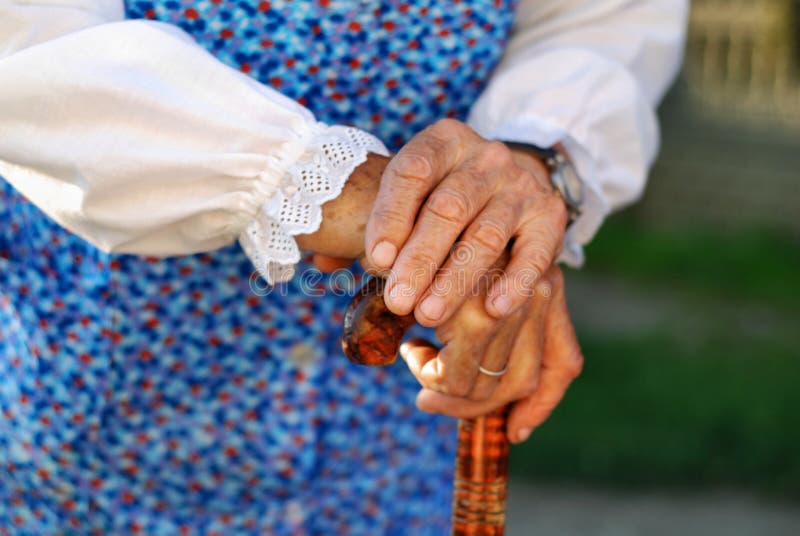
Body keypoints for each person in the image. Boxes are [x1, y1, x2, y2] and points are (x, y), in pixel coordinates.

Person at [0, 0, 686, 534]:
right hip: (81, 455)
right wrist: (358, 199)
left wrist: (519, 178)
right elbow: (30, 49)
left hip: (392, 462)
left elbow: (602, 24)